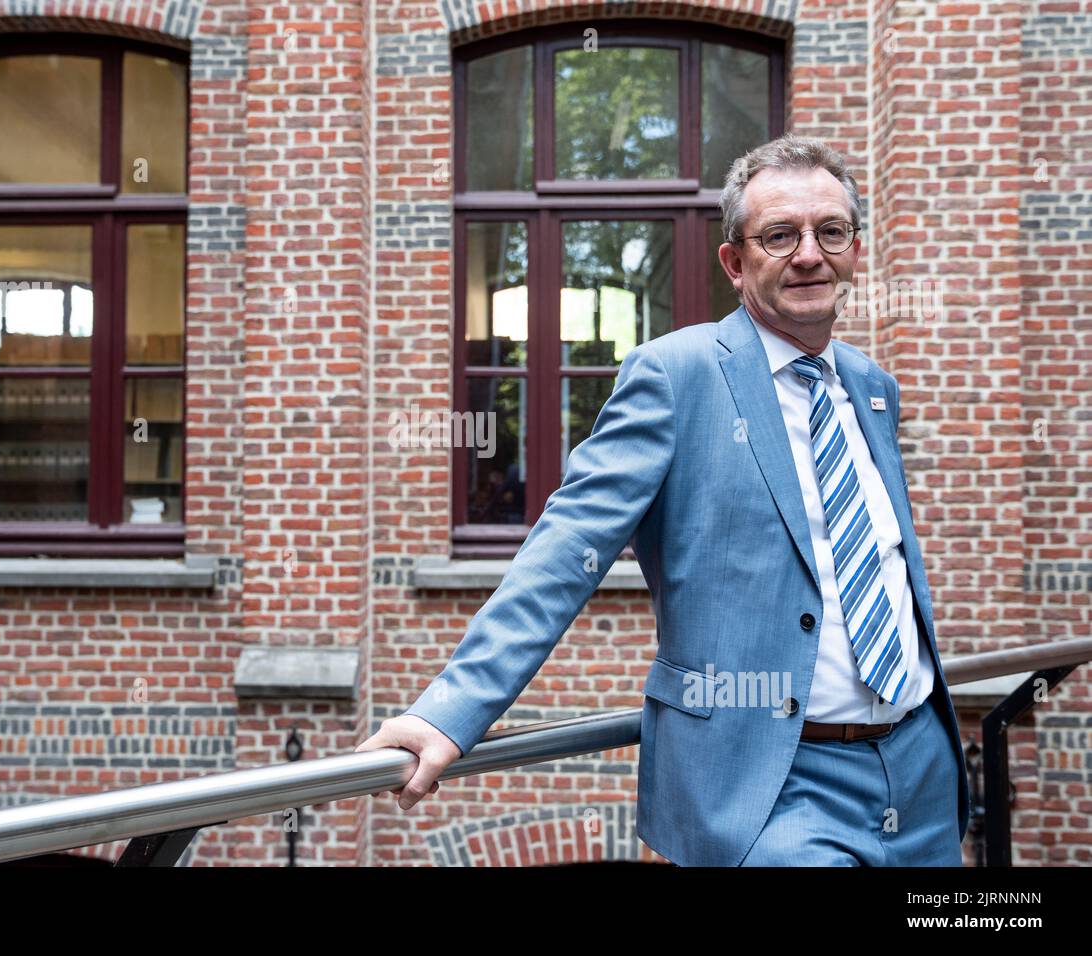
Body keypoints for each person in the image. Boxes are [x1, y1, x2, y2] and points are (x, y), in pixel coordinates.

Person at [356, 134, 970, 866]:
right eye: (780, 235)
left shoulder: (871, 387)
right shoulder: (676, 376)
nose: (810, 254)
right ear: (736, 263)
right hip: (770, 786)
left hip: (918, 770)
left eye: (830, 231)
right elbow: (563, 553)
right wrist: (448, 713)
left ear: (855, 252)